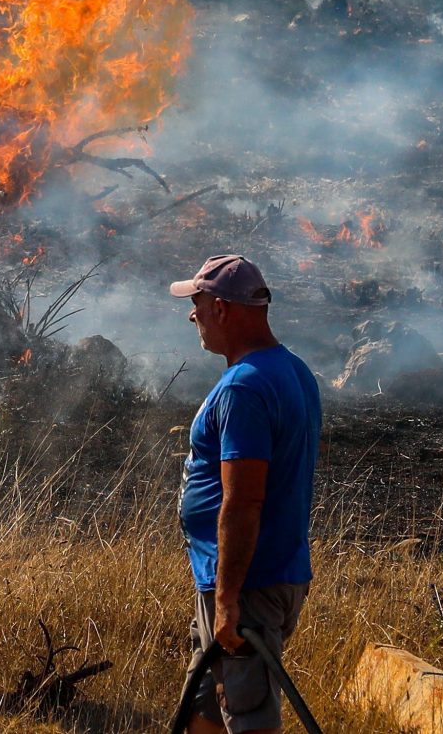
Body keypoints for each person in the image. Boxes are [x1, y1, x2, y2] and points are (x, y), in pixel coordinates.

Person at [170, 254, 321, 734]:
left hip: (246, 584)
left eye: (196, 303)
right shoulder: (292, 370)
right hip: (266, 574)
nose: (191, 315)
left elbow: (243, 500)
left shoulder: (243, 388)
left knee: (249, 718)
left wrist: (229, 599)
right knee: (204, 708)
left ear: (221, 309)